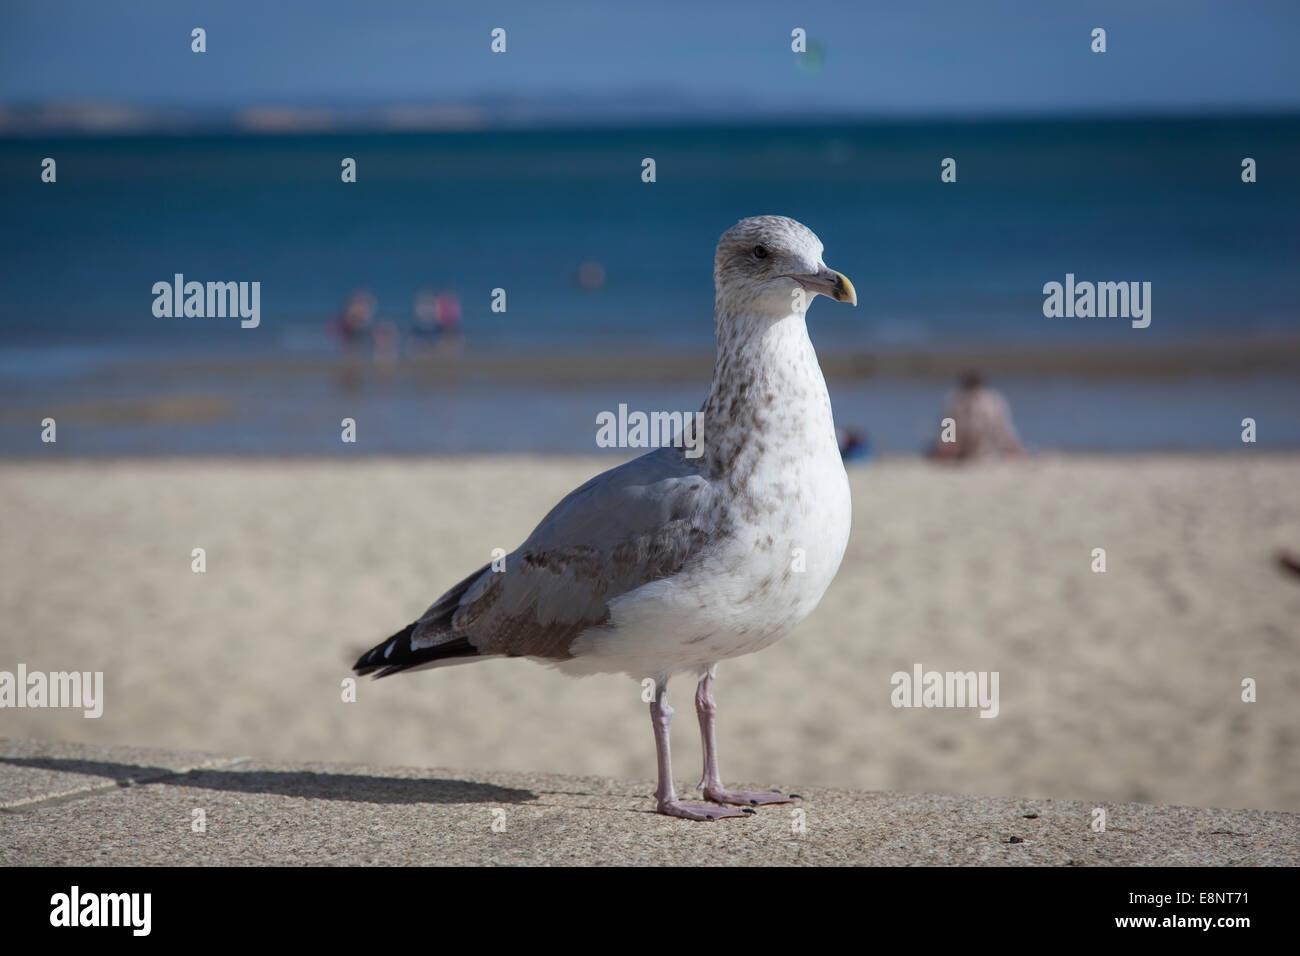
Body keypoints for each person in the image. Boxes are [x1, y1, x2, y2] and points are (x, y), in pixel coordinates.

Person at [929, 371, 1024, 461]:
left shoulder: (990, 403)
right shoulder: (956, 401)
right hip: (963, 451)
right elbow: (948, 434)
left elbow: (1003, 433)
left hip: (985, 451)